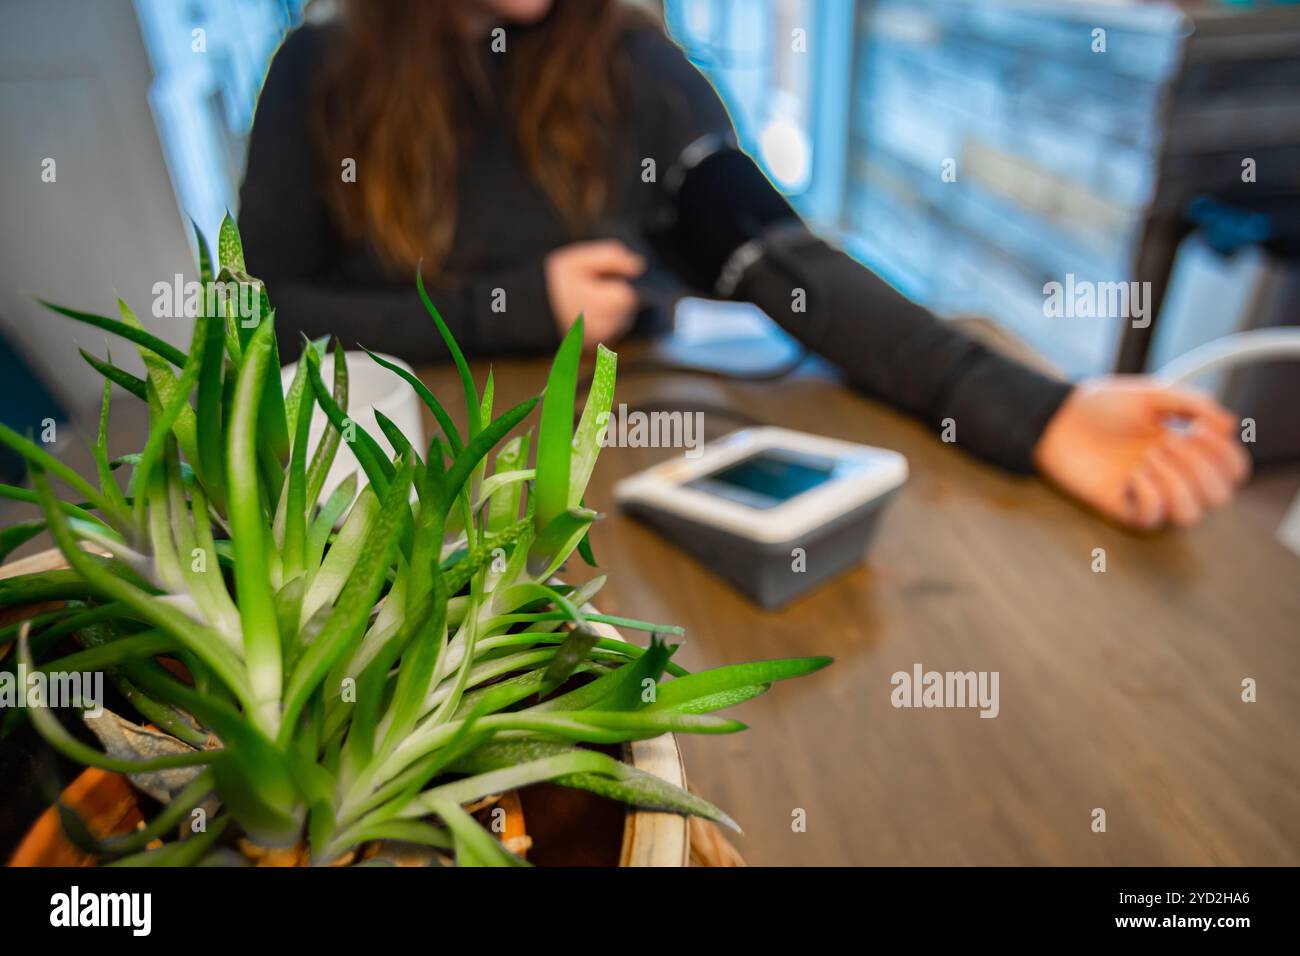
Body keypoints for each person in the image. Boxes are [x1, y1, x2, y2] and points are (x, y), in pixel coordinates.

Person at [238, 0, 1249, 531]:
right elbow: (273, 317)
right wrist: (513, 304)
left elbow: (776, 255)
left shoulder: (639, 70)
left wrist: (1036, 410)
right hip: (387, 494)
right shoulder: (310, 79)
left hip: (604, 503)